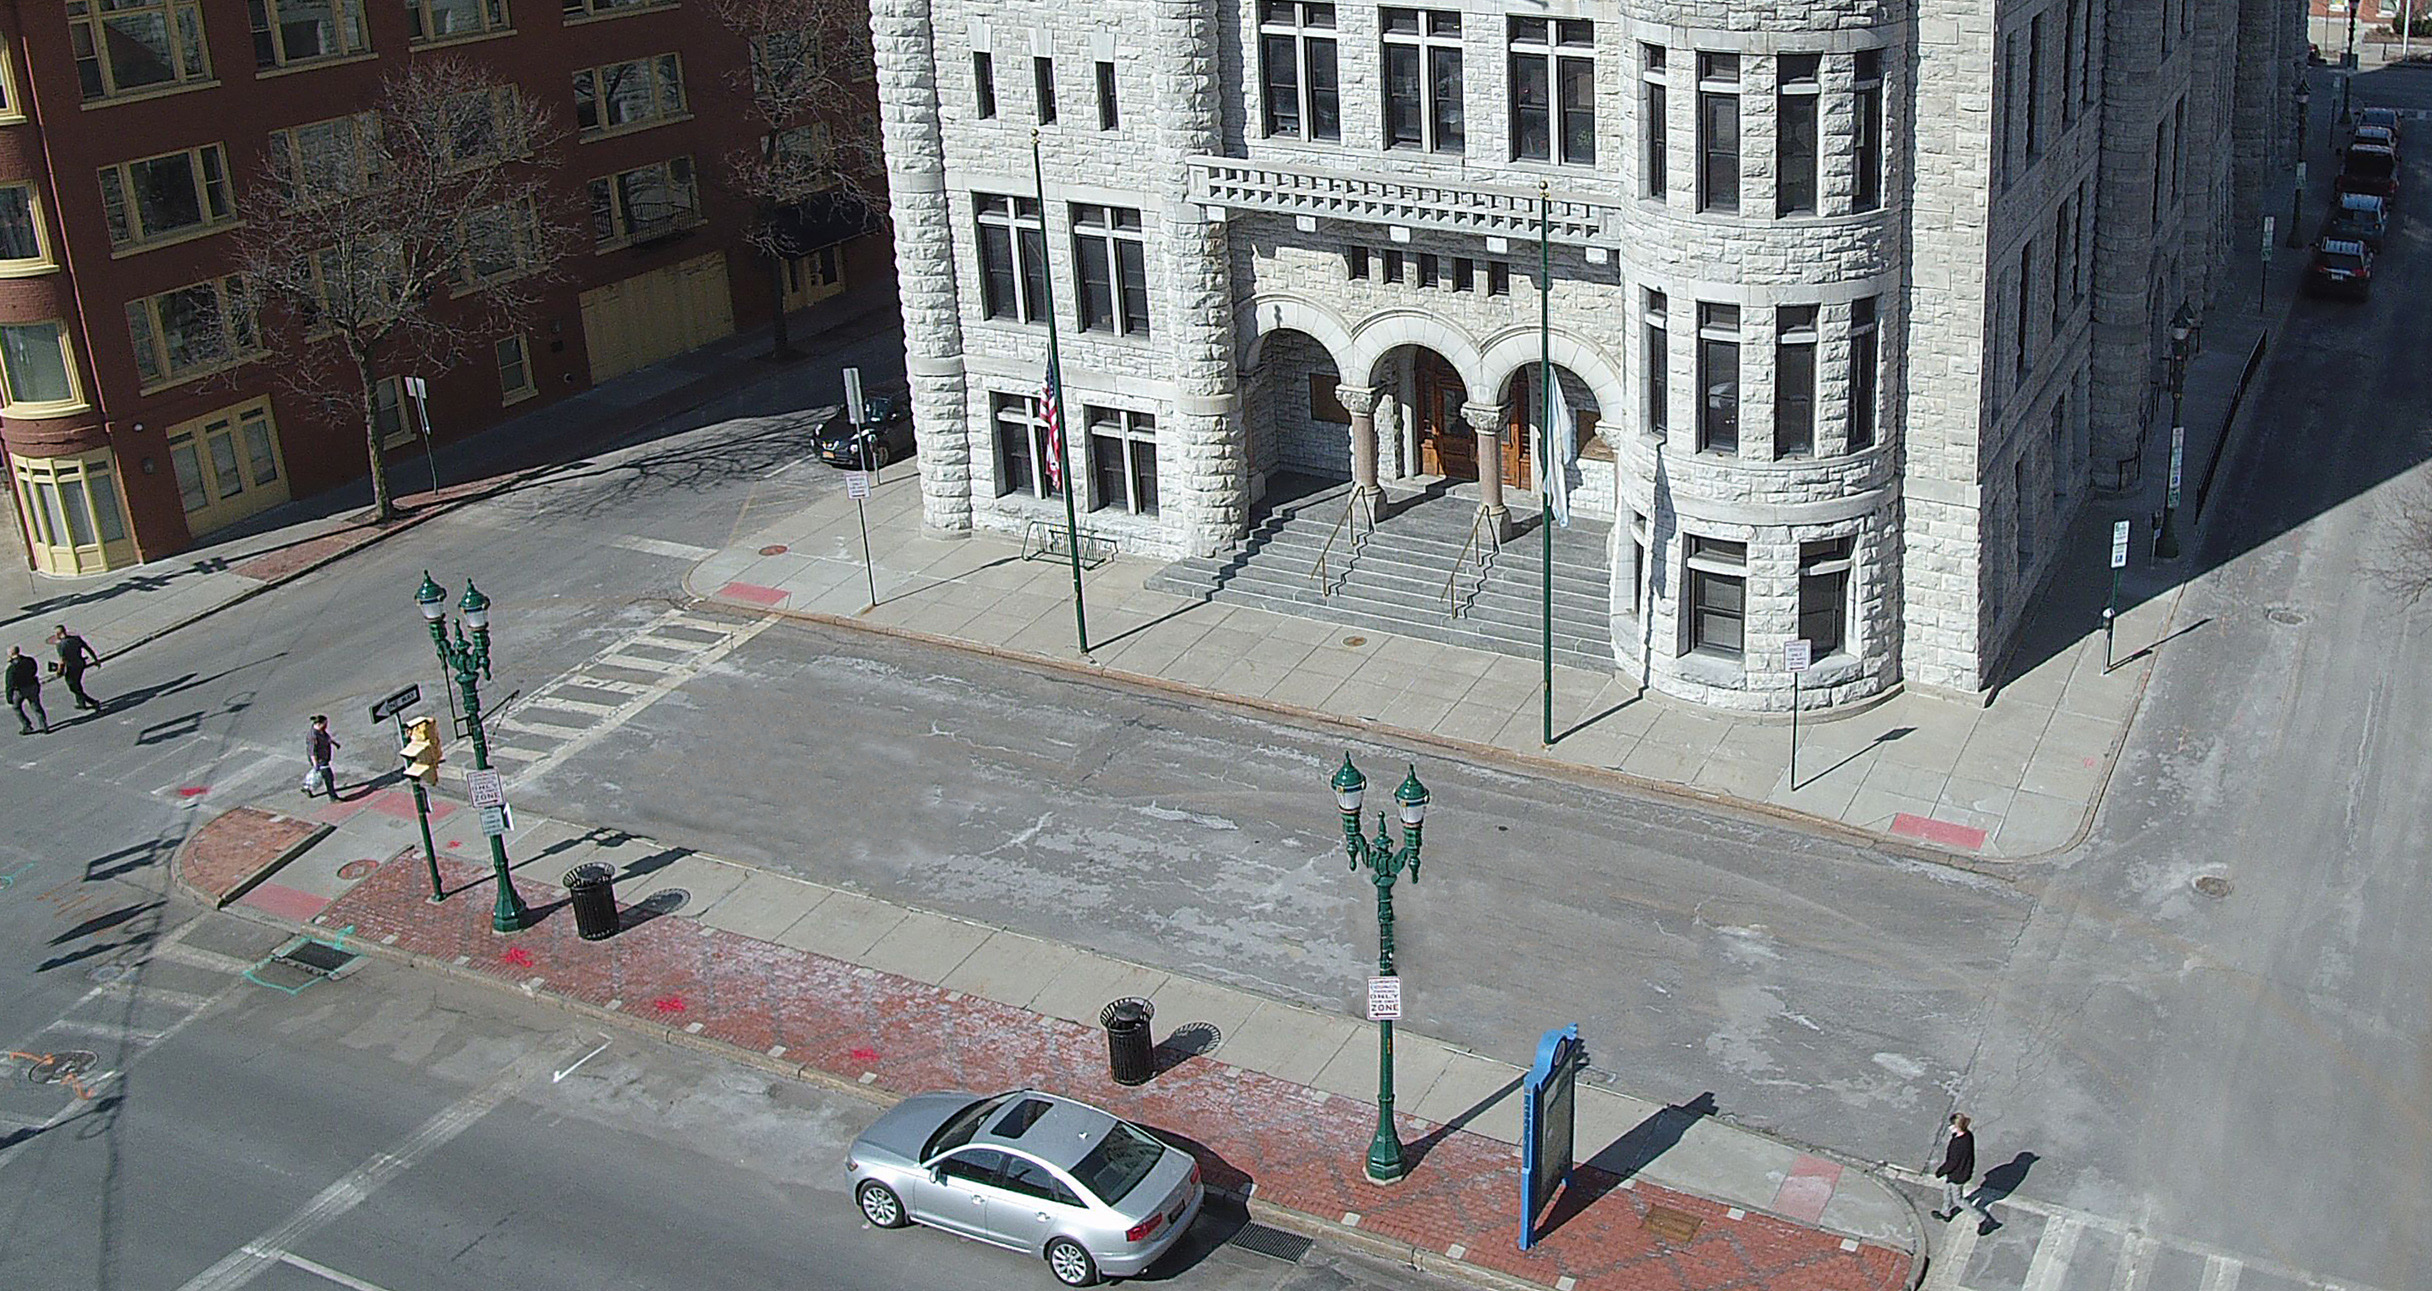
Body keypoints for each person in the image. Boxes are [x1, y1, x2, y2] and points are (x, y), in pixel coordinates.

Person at [1932, 1111, 1990, 1228]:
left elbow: (1952, 1163)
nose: (1949, 1127)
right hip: (1961, 1172)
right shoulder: (1967, 1135)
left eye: (1952, 1125)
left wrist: (1940, 1171)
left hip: (1958, 1175)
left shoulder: (1959, 1143)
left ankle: (1983, 1219)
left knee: (1958, 1199)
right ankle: (1945, 1212)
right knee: (1947, 1191)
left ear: (1957, 1126)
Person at [47, 625, 100, 710]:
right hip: (80, 664)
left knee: (73, 686)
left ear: (58, 634)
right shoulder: (76, 639)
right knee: (77, 684)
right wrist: (96, 659)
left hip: (71, 667)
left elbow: (62, 661)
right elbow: (88, 648)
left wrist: (59, 672)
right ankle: (81, 703)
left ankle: (92, 702)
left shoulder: (60, 645)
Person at [6, 647, 46, 735]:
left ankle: (27, 726)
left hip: (20, 690)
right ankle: (44, 725)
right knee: (36, 706)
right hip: (32, 685)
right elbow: (34, 669)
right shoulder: (29, 661)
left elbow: (9, 683)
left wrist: (9, 697)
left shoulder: (12, 668)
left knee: (16, 707)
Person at [303, 714, 340, 799]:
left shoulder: (321, 731)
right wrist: (316, 764)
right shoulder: (313, 736)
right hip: (319, 759)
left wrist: (335, 744)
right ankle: (333, 797)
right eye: (325, 724)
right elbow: (312, 751)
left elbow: (327, 738)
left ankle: (307, 788)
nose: (326, 726)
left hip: (324, 757)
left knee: (318, 776)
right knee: (328, 777)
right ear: (319, 724)